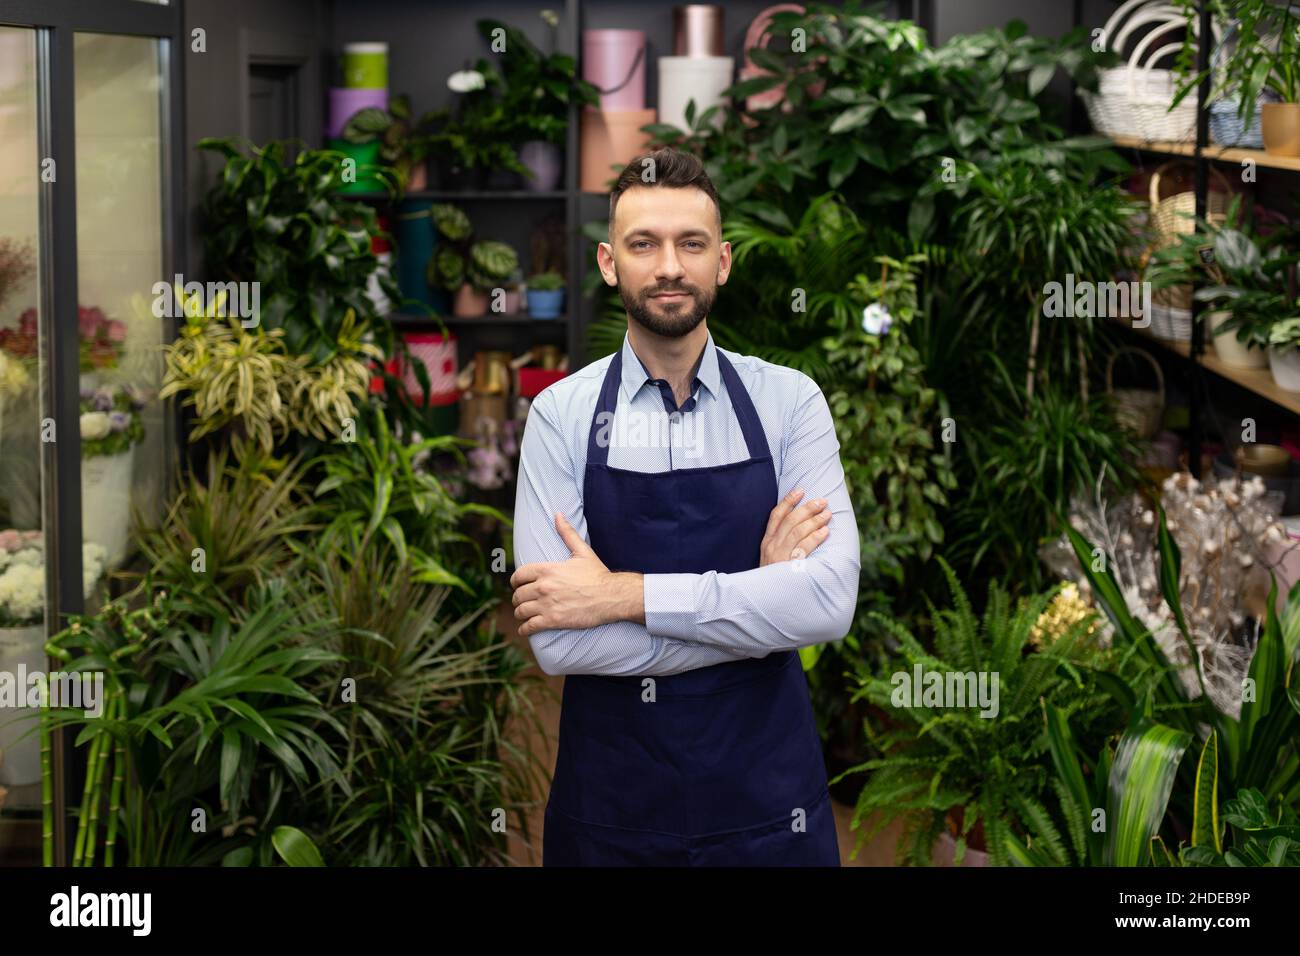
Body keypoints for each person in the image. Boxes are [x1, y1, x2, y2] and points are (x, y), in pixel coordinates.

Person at [509, 147, 860, 866]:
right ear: (610, 263)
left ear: (722, 261)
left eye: (691, 243)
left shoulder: (790, 403)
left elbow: (827, 604)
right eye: (645, 244)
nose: (669, 265)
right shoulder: (559, 417)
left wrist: (619, 595)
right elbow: (558, 644)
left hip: (768, 803)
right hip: (613, 808)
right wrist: (759, 617)